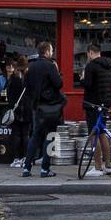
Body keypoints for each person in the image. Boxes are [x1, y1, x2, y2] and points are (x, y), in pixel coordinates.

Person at [23, 41, 66, 178]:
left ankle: (27, 167)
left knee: (35, 136)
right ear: (47, 51)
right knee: (50, 136)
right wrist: (58, 72)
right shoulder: (50, 65)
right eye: (51, 50)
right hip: (50, 106)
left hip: (37, 106)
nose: (52, 53)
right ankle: (45, 169)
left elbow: (26, 87)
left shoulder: (32, 66)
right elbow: (59, 84)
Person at [81, 43, 111, 176]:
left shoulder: (91, 66)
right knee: (102, 134)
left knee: (94, 134)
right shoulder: (108, 66)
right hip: (105, 103)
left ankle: (97, 167)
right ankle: (108, 166)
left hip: (93, 104)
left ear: (90, 52)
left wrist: (82, 79)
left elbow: (88, 84)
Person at [4, 56, 31, 169]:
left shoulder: (12, 79)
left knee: (15, 135)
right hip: (27, 110)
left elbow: (8, 95)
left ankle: (16, 158)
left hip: (15, 110)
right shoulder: (29, 79)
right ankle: (25, 158)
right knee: (26, 135)